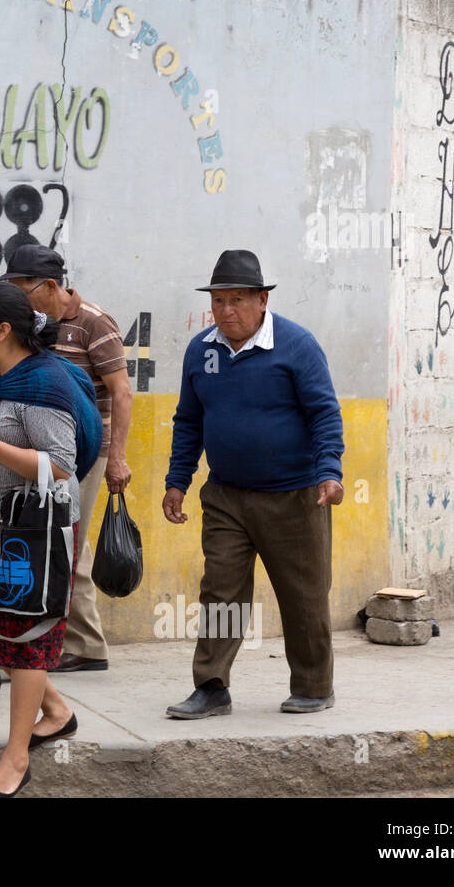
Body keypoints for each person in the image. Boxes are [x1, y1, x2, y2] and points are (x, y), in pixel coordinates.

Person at [161, 250, 344, 718]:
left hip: (295, 495)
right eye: (218, 301)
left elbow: (324, 413)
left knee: (303, 595)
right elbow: (189, 421)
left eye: (237, 300)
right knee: (220, 591)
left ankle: (313, 684)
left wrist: (329, 471)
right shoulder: (202, 350)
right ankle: (212, 686)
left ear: (262, 300)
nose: (225, 311)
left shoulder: (296, 345)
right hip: (227, 495)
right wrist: (177, 480)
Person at [0, 280, 86, 798]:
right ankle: (56, 711)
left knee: (24, 638)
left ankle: (14, 760)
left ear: (4, 331)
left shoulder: (41, 386)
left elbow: (61, 468)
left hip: (32, 535)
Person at [3, 244, 132, 673]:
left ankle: (86, 647)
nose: (19, 300)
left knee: (67, 543)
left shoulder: (94, 322)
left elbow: (121, 392)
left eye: (24, 291)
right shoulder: (33, 324)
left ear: (51, 286)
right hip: (46, 449)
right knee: (62, 541)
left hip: (87, 452)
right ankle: (75, 641)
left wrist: (117, 458)